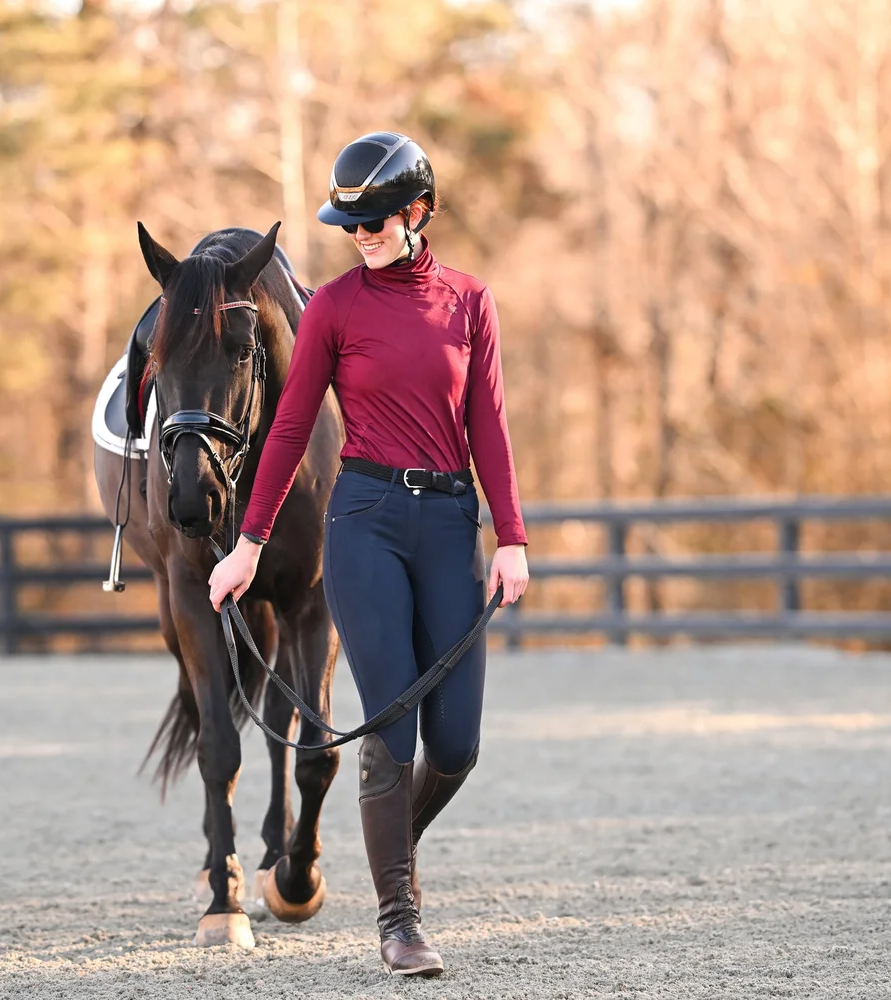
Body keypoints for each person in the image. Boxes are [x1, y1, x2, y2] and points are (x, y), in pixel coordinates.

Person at [208, 131, 529, 977]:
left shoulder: (471, 302)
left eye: (376, 221)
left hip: (451, 525)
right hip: (366, 520)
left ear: (418, 210)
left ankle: (389, 836)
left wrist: (513, 538)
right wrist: (247, 545)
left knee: (455, 746)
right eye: (351, 226)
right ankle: (399, 918)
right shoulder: (334, 309)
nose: (363, 235)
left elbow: (487, 428)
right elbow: (285, 429)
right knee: (391, 728)